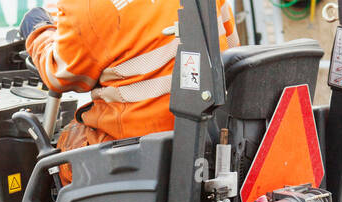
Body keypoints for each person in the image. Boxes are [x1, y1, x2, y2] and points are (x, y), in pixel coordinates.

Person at [20, 2, 238, 159]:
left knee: (55, 153)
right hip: (211, 141)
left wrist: (38, 30)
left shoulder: (86, 6)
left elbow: (59, 76)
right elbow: (231, 47)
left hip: (132, 153)